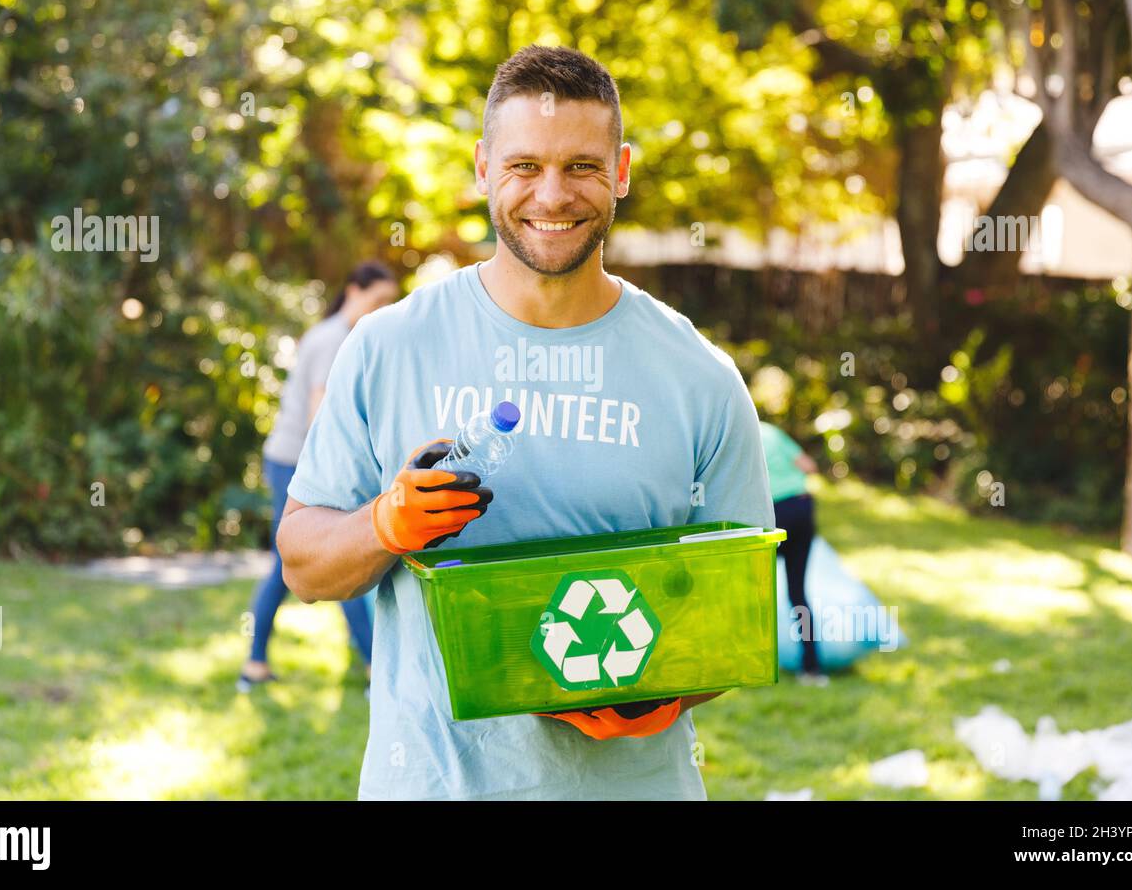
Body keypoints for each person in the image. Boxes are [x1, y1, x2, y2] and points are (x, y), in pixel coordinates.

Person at [277, 46, 773, 800]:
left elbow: (737, 615)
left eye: (582, 166)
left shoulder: (698, 376)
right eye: (523, 166)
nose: (553, 194)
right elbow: (302, 563)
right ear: (483, 168)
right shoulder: (388, 346)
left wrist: (665, 694)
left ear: (623, 171)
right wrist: (385, 522)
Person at [237, 261, 399, 693]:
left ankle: (364, 663)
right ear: (353, 290)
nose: (383, 309)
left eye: (390, 302)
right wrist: (343, 472)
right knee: (306, 561)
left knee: (330, 558)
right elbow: (320, 416)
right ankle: (260, 661)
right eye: (378, 300)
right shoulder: (333, 339)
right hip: (297, 464)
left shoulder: (343, 335)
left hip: (298, 461)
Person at [759, 421, 826, 685]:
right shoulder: (773, 432)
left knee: (755, 593)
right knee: (798, 594)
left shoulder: (742, 433)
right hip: (801, 506)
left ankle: (754, 665)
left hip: (773, 514)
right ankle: (812, 670)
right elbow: (809, 466)